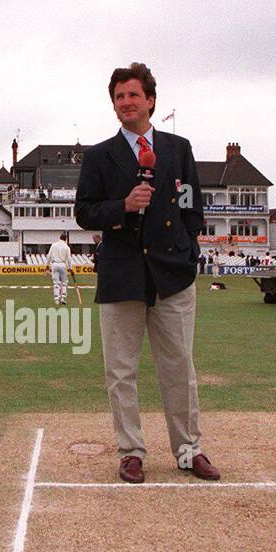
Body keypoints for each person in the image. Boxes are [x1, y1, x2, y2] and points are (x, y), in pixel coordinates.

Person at [74, 62, 219, 484]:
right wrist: (123, 206)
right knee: (121, 371)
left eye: (133, 95)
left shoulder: (178, 149)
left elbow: (193, 207)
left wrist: (189, 252)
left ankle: (189, 449)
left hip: (172, 274)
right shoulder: (99, 156)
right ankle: (131, 451)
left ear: (150, 101)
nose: (126, 102)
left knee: (179, 367)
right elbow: (84, 212)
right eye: (119, 97)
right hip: (122, 275)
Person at [48, 231, 71, 304]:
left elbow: (49, 255)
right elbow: (69, 258)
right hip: (63, 265)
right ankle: (63, 298)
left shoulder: (54, 245)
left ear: (60, 238)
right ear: (66, 239)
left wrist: (47, 264)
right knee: (64, 283)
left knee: (56, 283)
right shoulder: (66, 247)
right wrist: (70, 268)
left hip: (54, 264)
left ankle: (56, 299)